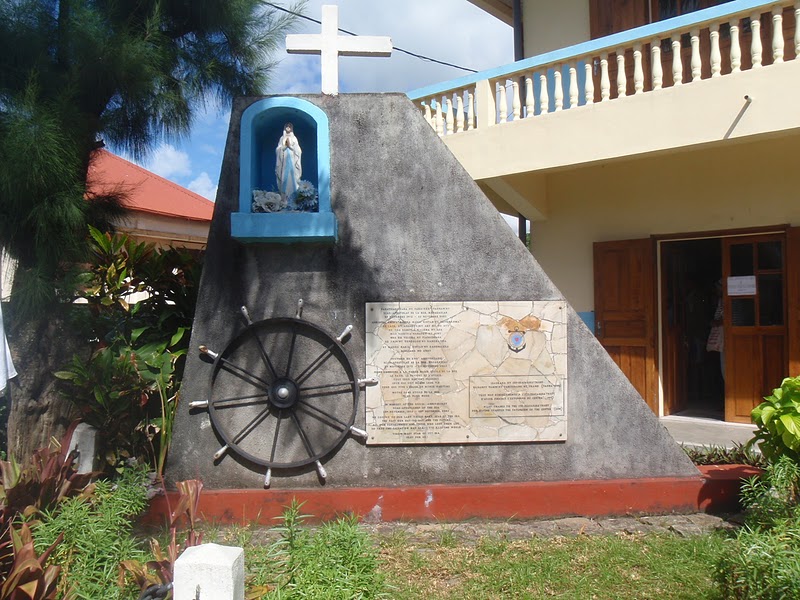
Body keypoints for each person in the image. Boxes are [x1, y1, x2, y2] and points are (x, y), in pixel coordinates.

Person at [275, 122, 302, 202]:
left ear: (291, 128)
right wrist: (283, 147)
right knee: (284, 177)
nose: (288, 127)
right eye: (287, 126)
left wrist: (290, 146)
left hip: (292, 161)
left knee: (293, 177)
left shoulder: (294, 138)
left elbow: (298, 150)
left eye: (289, 126)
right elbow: (278, 149)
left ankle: (294, 199)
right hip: (284, 161)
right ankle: (284, 199)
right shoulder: (282, 138)